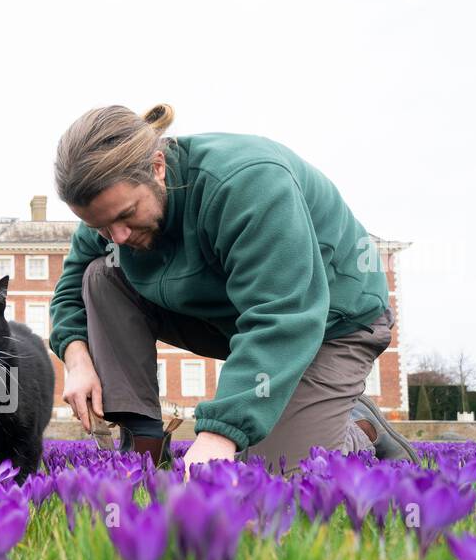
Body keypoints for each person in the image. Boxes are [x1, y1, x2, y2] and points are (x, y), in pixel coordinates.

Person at [49, 103, 418, 477]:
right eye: (101, 227)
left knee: (276, 473)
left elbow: (281, 316)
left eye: (126, 216)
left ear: (157, 168)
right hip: (237, 319)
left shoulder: (247, 184)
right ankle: (143, 446)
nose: (118, 237)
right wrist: (76, 359)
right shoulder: (110, 209)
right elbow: (71, 288)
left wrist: (219, 433)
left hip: (330, 324)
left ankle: (360, 430)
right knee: (100, 274)